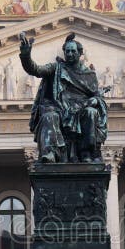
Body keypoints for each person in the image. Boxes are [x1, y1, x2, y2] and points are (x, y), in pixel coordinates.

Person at [19, 32, 108, 164]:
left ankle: (86, 152)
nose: (70, 54)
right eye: (67, 51)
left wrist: (95, 100)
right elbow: (35, 70)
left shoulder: (89, 75)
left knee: (91, 112)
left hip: (81, 109)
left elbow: (96, 96)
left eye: (73, 51)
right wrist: (26, 56)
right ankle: (50, 153)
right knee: (49, 116)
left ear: (79, 53)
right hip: (60, 108)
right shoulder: (56, 68)